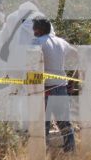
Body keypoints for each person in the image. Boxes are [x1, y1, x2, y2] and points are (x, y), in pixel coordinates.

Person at [32, 17, 78, 153]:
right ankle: (71, 155)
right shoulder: (61, 42)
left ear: (38, 29)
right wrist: (73, 81)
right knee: (65, 124)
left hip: (44, 89)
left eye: (34, 28)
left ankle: (42, 157)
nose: (33, 31)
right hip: (61, 87)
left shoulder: (36, 43)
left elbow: (29, 66)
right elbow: (79, 57)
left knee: (42, 126)